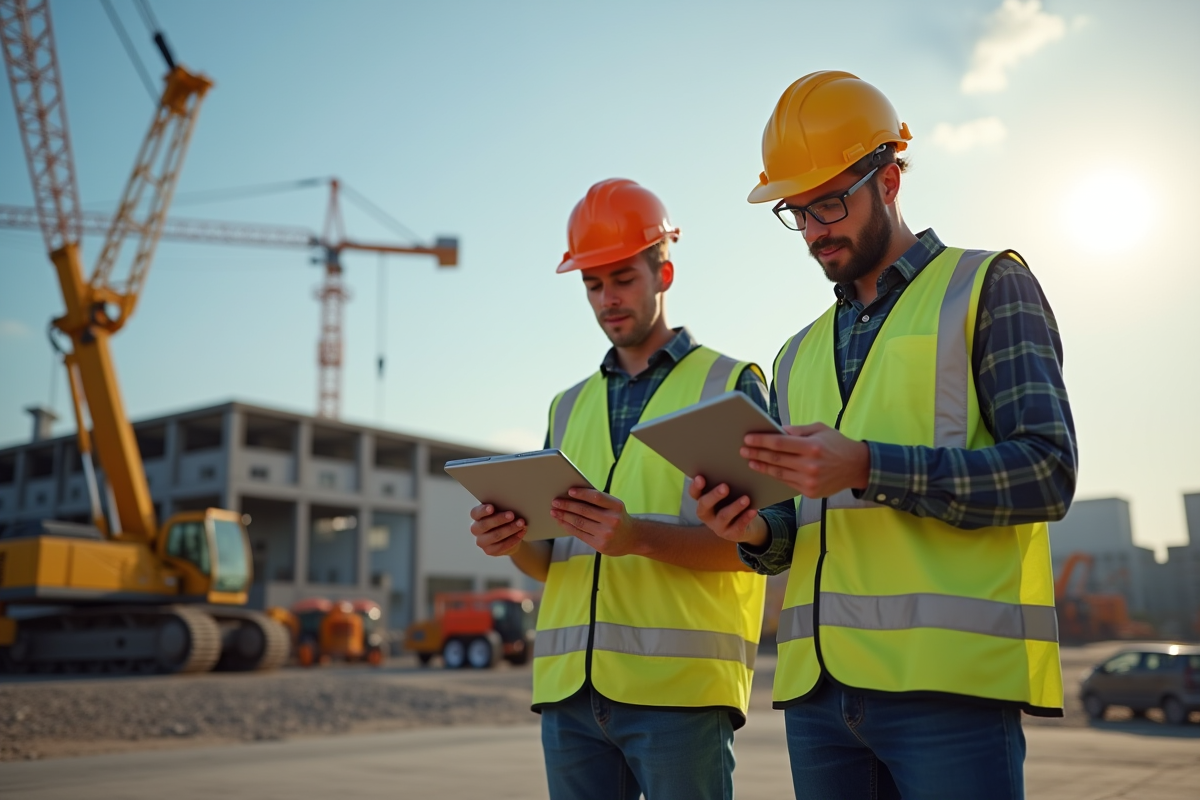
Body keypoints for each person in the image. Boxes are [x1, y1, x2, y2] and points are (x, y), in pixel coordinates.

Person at [690, 71, 1077, 799]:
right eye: (796, 213)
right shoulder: (794, 354)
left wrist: (868, 466)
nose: (813, 231)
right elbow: (791, 534)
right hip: (818, 700)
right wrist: (747, 528)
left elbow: (1047, 473)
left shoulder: (987, 286)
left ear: (890, 179)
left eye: (829, 203)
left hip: (948, 692)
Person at [468, 178, 768, 800]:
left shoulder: (729, 384)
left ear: (665, 272)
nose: (607, 298)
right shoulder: (567, 406)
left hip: (680, 697)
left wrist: (637, 538)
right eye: (592, 284)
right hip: (569, 698)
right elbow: (551, 563)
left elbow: (762, 549)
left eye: (623, 278)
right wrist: (511, 542)